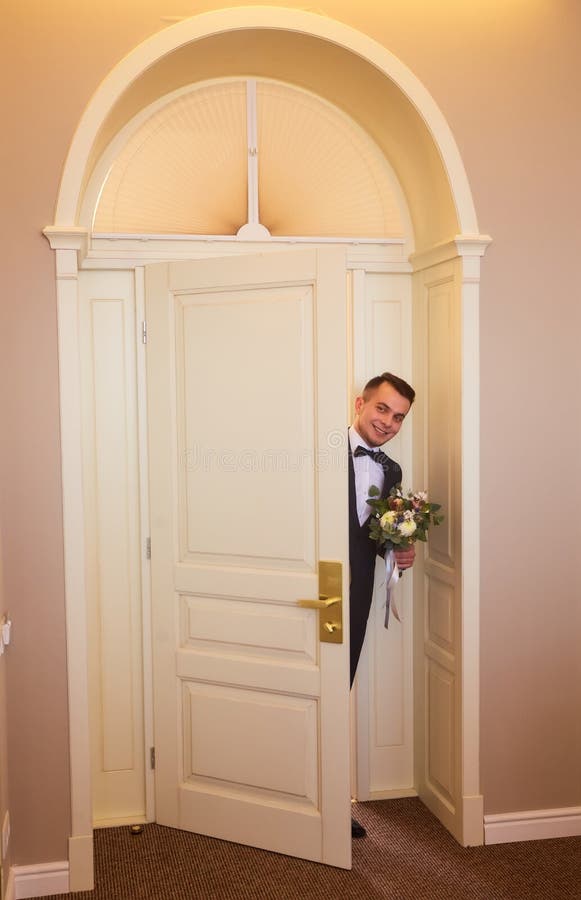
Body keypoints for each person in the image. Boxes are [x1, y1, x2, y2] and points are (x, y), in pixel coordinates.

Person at [348, 372, 416, 838]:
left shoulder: (392, 470)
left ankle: (331, 802)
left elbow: (374, 536)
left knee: (338, 690)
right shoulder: (316, 452)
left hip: (355, 597)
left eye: (399, 417)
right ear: (361, 403)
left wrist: (397, 550)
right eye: (382, 409)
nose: (389, 422)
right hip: (310, 590)